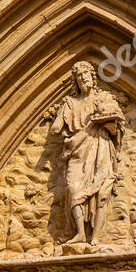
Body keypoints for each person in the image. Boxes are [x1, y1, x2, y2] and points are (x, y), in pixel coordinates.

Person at [51, 61, 125, 248]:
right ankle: (80, 234)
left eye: (86, 74)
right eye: (79, 76)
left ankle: (96, 237)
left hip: (100, 148)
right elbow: (56, 129)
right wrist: (56, 115)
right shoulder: (70, 103)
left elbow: (116, 128)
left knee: (101, 193)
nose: (83, 78)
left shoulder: (105, 99)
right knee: (73, 189)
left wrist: (104, 121)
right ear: (75, 82)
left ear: (92, 77)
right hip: (76, 150)